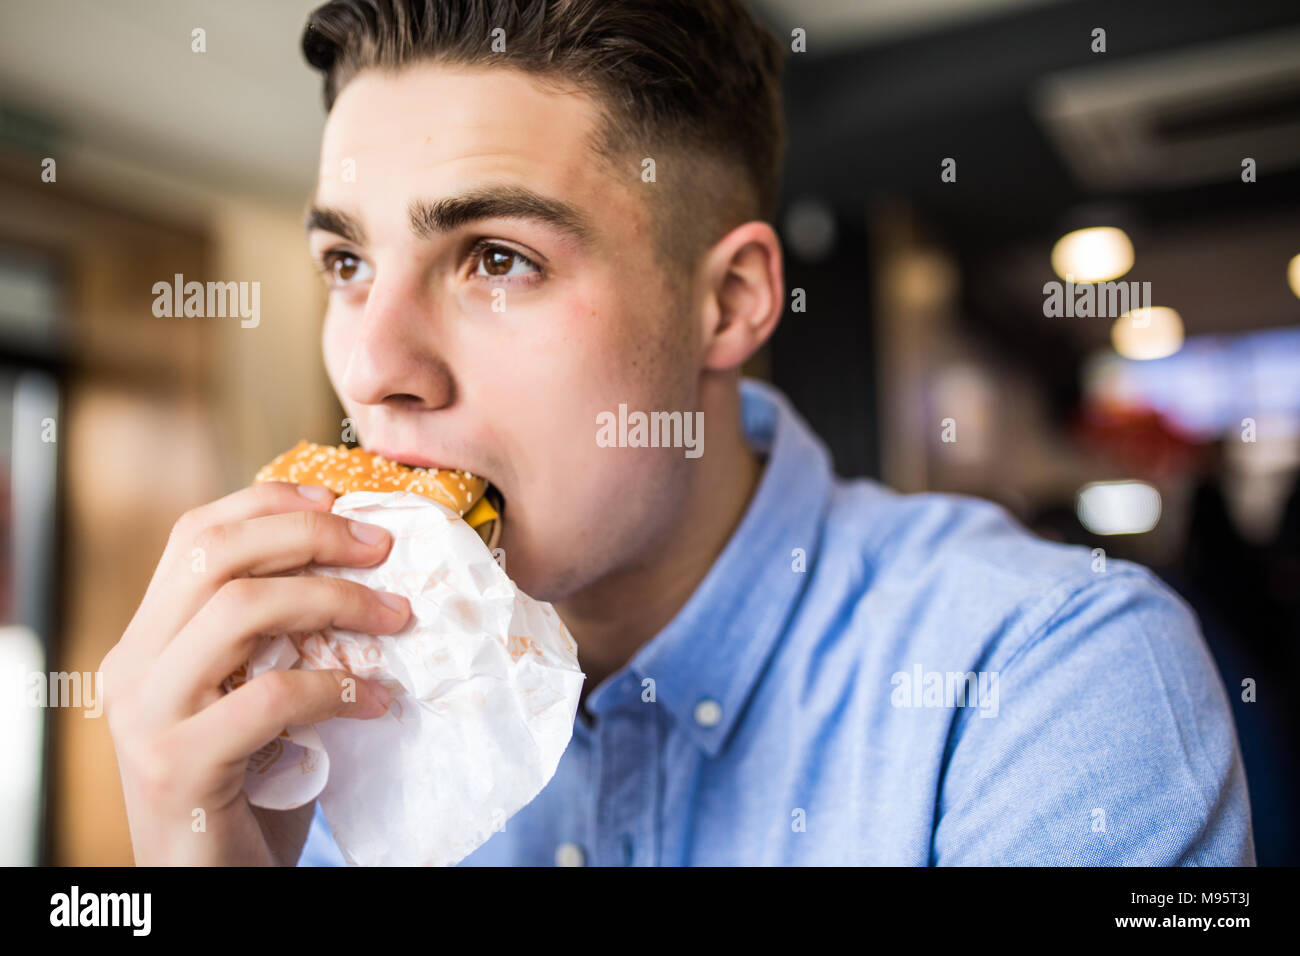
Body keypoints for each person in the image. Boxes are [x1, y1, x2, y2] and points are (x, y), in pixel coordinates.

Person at [103, 0, 1254, 866]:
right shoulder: (325, 722)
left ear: (730, 302)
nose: (371, 367)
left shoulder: (1048, 677)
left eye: (497, 257)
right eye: (347, 262)